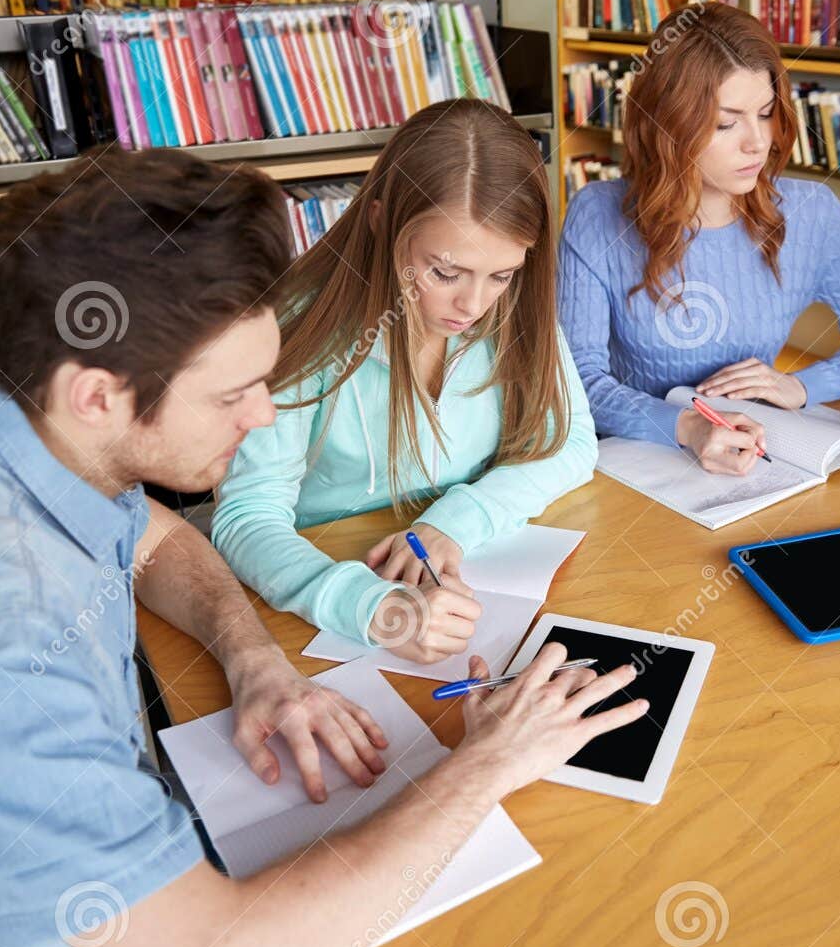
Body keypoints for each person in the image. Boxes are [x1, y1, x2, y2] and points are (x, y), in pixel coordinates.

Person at [0, 148, 646, 947]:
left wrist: (253, 657)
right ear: (97, 395)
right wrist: (488, 764)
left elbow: (150, 537)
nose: (264, 417)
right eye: (232, 395)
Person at [212, 99, 597, 665]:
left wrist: (457, 521)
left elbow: (571, 441)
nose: (473, 305)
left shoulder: (514, 306)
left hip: (469, 567)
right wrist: (367, 605)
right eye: (445, 271)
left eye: (501, 274)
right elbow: (247, 517)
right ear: (380, 220)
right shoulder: (298, 326)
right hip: (321, 592)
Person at [558, 3, 840, 475]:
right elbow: (577, 379)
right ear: (668, 126)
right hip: (633, 461)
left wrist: (801, 387)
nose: (757, 142)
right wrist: (686, 425)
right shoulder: (596, 214)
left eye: (765, 114)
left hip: (752, 454)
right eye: (726, 123)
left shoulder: (812, 213)